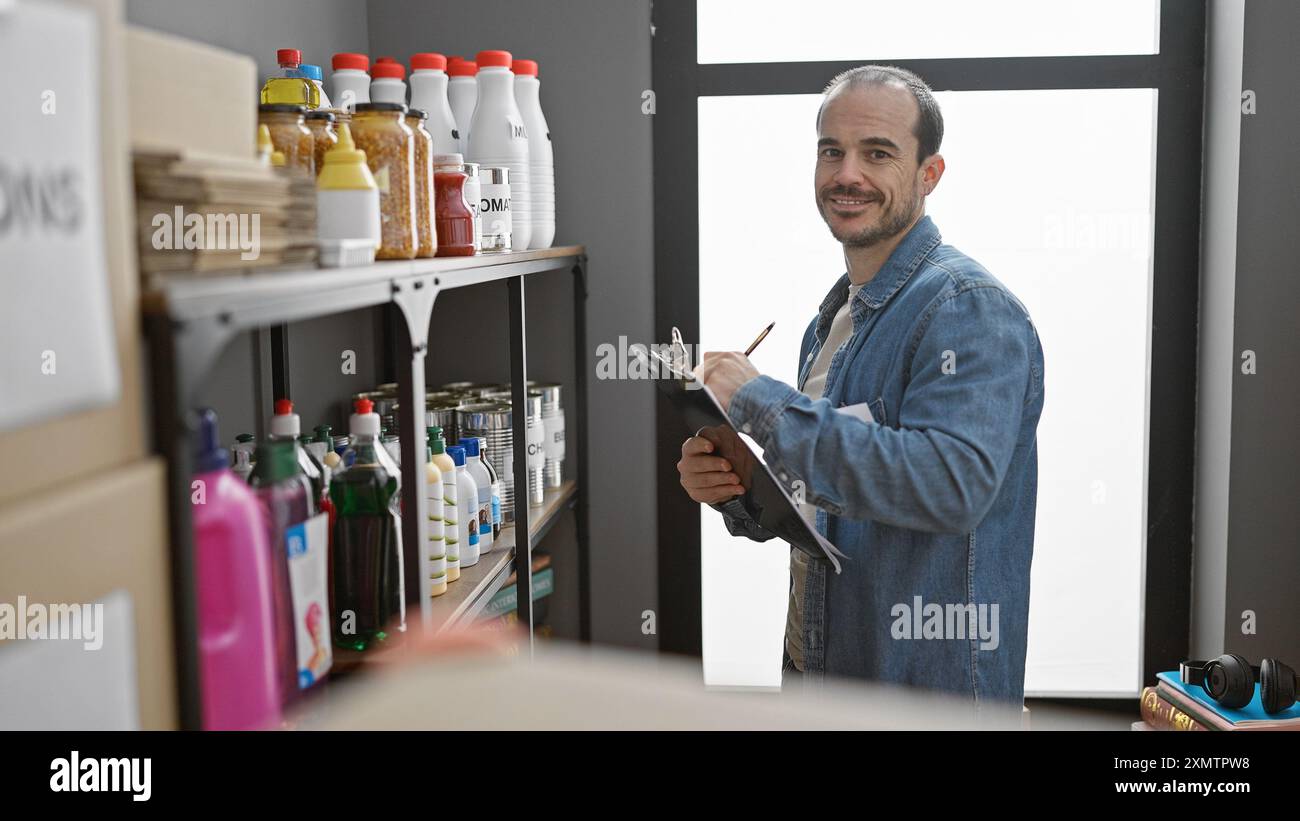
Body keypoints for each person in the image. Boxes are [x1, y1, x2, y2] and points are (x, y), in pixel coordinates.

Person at [680, 65, 1045, 710]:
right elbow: (833, 504)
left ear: (929, 175)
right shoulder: (833, 321)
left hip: (922, 696)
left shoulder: (968, 308)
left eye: (877, 153)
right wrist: (740, 489)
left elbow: (951, 487)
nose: (847, 174)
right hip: (816, 667)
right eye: (832, 151)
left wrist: (758, 400)